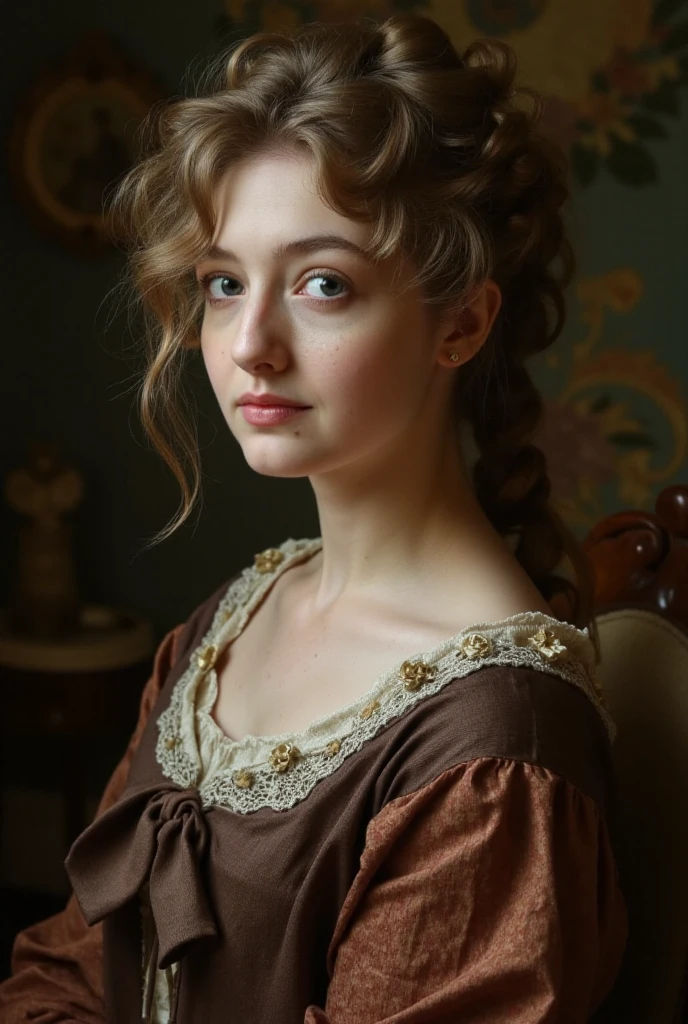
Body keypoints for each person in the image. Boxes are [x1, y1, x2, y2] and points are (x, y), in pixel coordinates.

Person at [0, 11, 628, 1022]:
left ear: (462, 320)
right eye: (223, 283)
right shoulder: (230, 619)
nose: (250, 341)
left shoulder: (494, 747)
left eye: (322, 284)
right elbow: (70, 969)